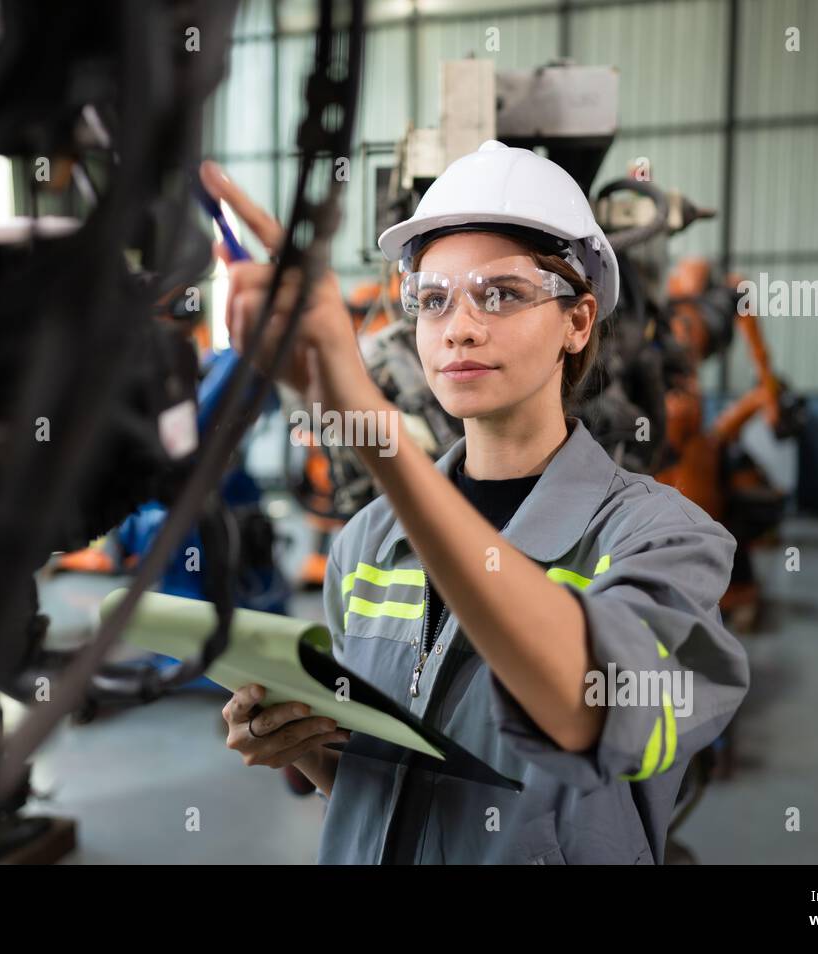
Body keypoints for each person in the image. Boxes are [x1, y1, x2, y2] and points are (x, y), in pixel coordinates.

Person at [209, 141, 749, 864]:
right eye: (434, 300)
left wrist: (362, 416)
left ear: (579, 322)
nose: (459, 325)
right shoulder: (368, 544)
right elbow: (400, 797)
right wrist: (303, 750)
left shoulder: (664, 539)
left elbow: (593, 707)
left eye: (501, 294)